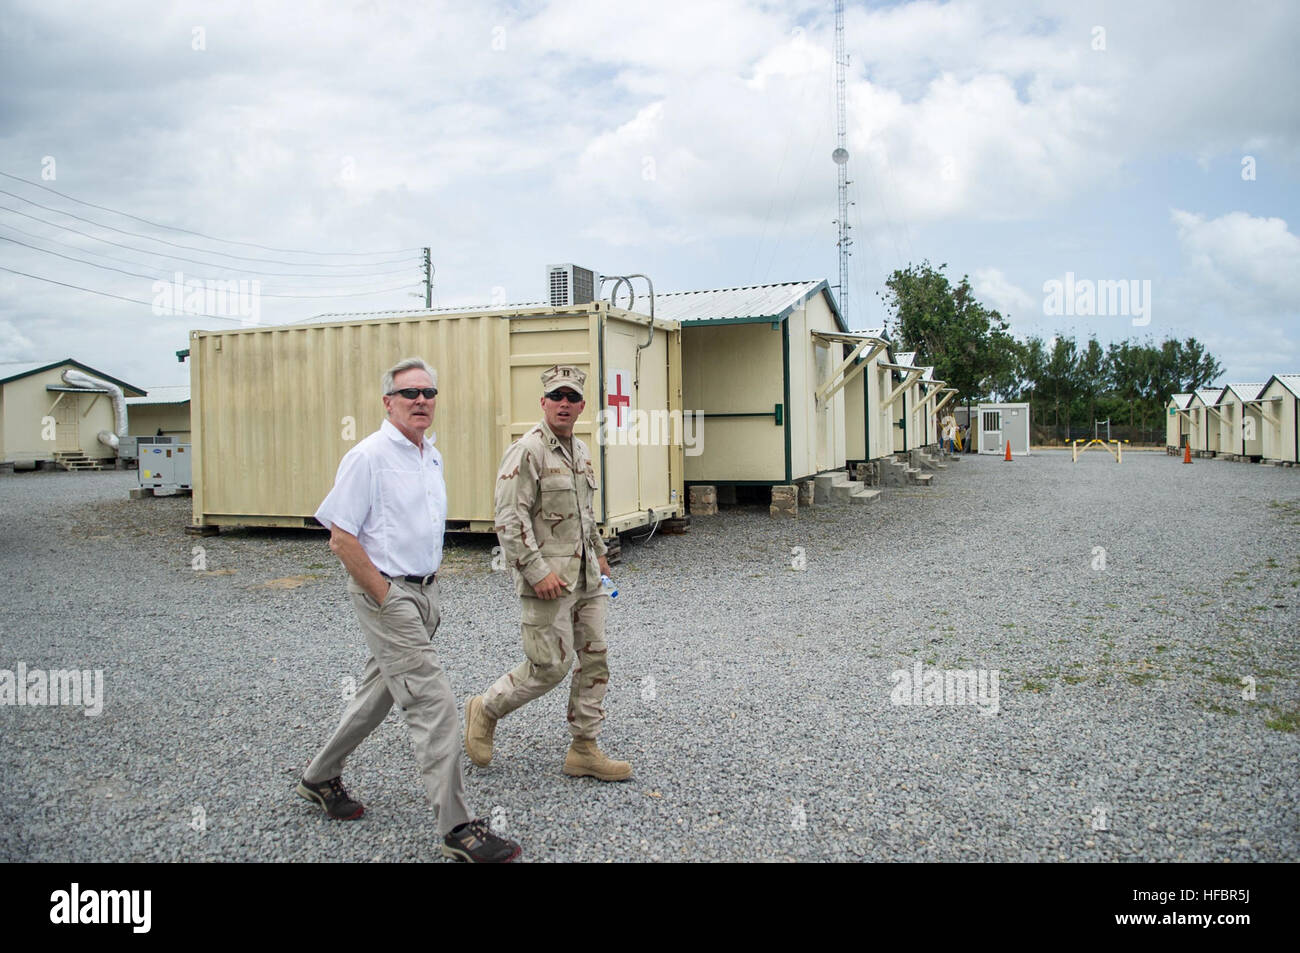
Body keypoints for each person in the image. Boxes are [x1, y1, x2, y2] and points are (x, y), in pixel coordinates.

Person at [297, 357, 521, 863]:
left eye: (429, 392)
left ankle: (318, 777)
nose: (421, 400)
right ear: (388, 402)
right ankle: (458, 829)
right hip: (389, 596)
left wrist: (420, 591)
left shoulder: (429, 455)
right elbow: (340, 537)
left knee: (377, 695)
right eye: (409, 393)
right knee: (434, 702)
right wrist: (384, 593)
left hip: (425, 594)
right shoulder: (369, 456)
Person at [464, 364, 631, 782]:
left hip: (586, 576)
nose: (564, 403)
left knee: (595, 659)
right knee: (549, 666)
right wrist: (536, 571)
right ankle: (487, 707)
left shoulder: (581, 452)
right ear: (543, 402)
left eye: (572, 397)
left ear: (581, 406)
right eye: (556, 396)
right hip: (548, 581)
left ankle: (584, 749)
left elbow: (585, 514)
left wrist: (599, 554)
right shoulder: (527, 450)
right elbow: (508, 517)